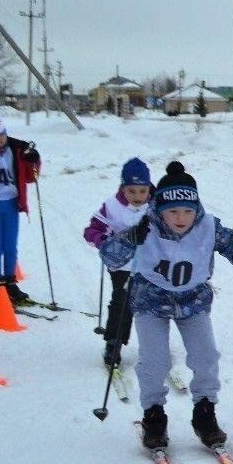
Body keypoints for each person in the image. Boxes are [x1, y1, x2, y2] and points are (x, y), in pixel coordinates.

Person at [99, 161, 233, 449]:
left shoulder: (208, 225)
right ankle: (154, 416)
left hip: (193, 301)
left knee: (206, 356)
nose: (181, 217)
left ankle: (205, 412)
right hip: (151, 301)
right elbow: (110, 257)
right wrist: (128, 240)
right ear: (159, 207)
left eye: (187, 210)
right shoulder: (145, 227)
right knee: (154, 361)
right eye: (173, 211)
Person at [83, 157, 152, 367]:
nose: (138, 197)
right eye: (132, 191)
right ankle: (114, 343)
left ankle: (154, 346)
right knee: (122, 303)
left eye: (142, 191)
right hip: (121, 266)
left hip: (151, 265)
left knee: (151, 306)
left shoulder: (157, 205)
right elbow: (91, 230)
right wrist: (104, 241)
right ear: (123, 188)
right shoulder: (112, 206)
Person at [0, 117, 41, 304]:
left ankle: (10, 282)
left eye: (1, 135)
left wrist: (34, 160)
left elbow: (30, 176)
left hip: (12, 204)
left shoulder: (15, 151)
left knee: (11, 246)